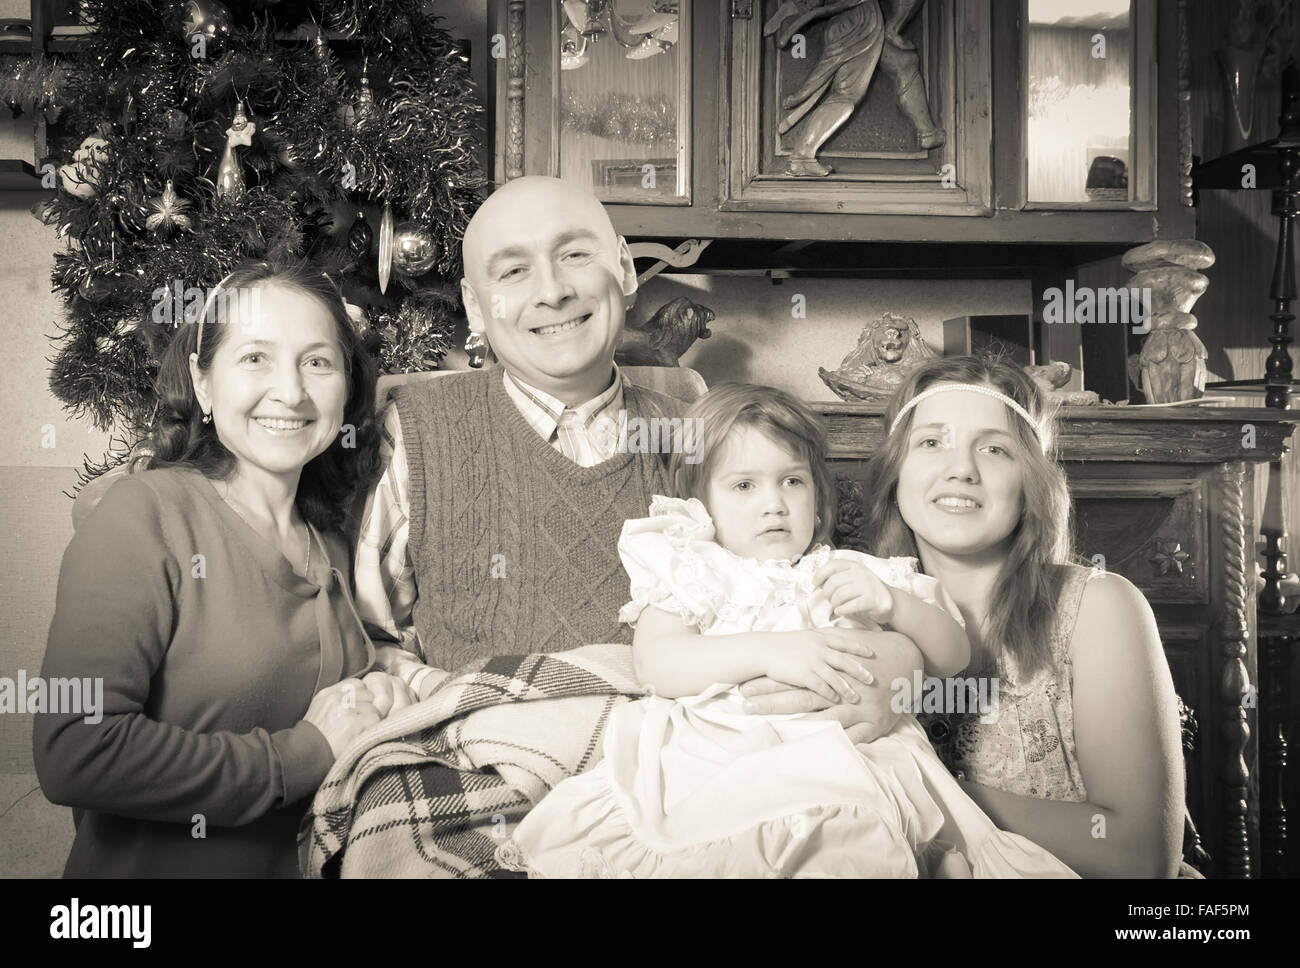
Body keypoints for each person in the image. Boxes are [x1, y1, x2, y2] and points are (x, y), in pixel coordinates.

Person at [356, 177, 925, 755]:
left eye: (575, 255)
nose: (552, 291)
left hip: (682, 762)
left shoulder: (706, 441)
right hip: (481, 755)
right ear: (477, 307)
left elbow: (811, 583)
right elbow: (367, 643)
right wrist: (475, 706)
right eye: (513, 272)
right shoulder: (417, 433)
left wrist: (900, 673)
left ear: (625, 270)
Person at [501, 383, 1077, 877]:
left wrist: (896, 608)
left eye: (793, 482)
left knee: (848, 842)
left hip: (850, 760)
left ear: (820, 500)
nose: (773, 505)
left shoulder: (852, 573)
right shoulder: (696, 570)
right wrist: (772, 651)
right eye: (744, 486)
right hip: (726, 758)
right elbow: (658, 664)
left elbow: (953, 655)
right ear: (699, 504)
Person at [33, 260, 414, 877]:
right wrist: (304, 754)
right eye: (255, 358)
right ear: (203, 383)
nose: (291, 391)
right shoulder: (142, 516)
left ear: (347, 389)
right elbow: (74, 751)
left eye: (318, 362)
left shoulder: (336, 542)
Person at [829, 354, 1181, 877]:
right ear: (894, 472)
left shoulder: (1099, 607)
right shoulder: (842, 608)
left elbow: (1141, 858)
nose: (961, 468)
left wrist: (915, 782)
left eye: (995, 449)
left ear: (1031, 482)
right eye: (931, 442)